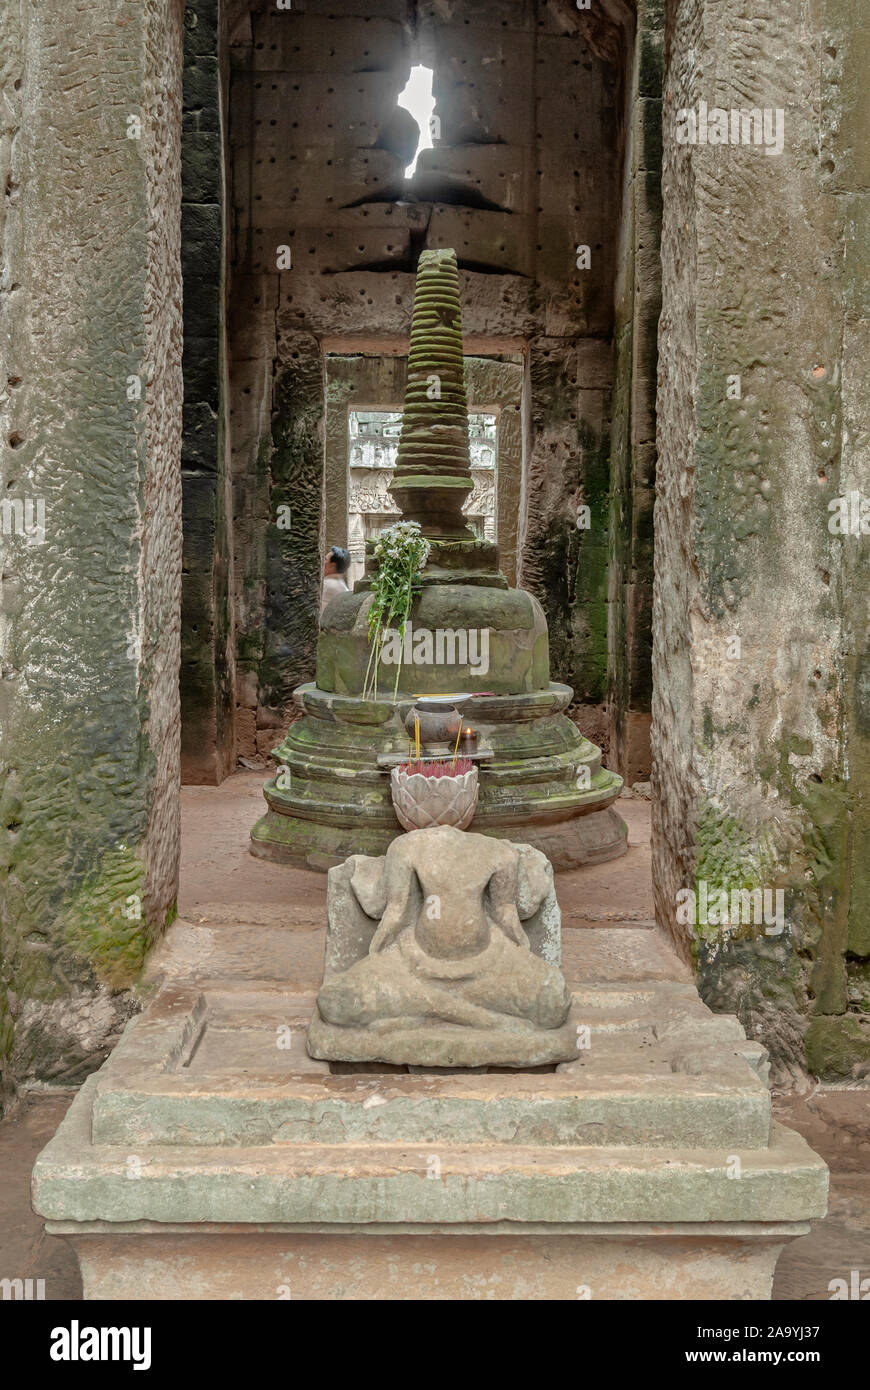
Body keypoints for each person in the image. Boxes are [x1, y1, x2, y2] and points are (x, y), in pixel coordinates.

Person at [321, 545, 350, 614]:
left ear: (332, 565)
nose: (322, 562)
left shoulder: (327, 584)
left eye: (325, 559)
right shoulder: (341, 584)